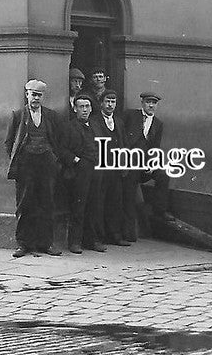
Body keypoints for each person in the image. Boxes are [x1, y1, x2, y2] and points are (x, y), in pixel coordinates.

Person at [4, 79, 70, 258]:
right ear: (27, 95)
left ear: (43, 97)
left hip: (46, 165)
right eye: (33, 94)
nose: (36, 98)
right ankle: (23, 244)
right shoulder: (18, 115)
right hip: (26, 166)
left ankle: (46, 243)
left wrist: (54, 159)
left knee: (46, 203)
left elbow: (58, 139)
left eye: (39, 95)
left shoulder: (51, 115)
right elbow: (9, 143)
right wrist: (18, 161)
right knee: (24, 204)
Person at [61, 93, 101, 253]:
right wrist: (75, 160)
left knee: (94, 205)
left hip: (96, 170)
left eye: (87, 106)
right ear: (75, 109)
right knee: (79, 206)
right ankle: (74, 242)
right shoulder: (69, 127)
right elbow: (62, 149)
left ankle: (91, 240)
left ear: (91, 109)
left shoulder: (96, 126)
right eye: (81, 107)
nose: (84, 110)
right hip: (79, 171)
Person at [90, 89, 131, 247]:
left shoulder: (119, 122)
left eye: (113, 102)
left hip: (116, 168)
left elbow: (124, 144)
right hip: (100, 168)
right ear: (101, 103)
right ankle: (99, 236)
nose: (110, 105)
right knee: (99, 203)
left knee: (115, 202)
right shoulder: (94, 121)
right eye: (107, 101)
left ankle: (115, 235)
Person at [126, 91, 171, 221]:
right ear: (142, 103)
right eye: (148, 102)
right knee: (130, 185)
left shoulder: (158, 123)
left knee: (163, 176)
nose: (151, 105)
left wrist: (152, 164)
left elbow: (155, 148)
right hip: (129, 162)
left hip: (145, 164)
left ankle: (160, 211)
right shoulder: (130, 115)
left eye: (154, 103)